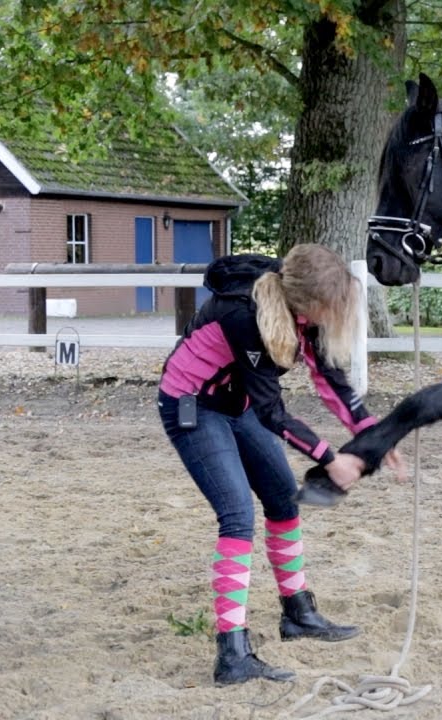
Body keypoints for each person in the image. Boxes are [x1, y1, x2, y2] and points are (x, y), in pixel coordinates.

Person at [157, 244, 402, 686]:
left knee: (283, 503)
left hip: (238, 402)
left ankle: (299, 614)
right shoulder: (245, 316)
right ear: (308, 301)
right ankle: (232, 654)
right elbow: (274, 414)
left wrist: (374, 434)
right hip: (192, 406)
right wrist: (332, 459)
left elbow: (329, 378)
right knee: (237, 516)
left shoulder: (306, 316)